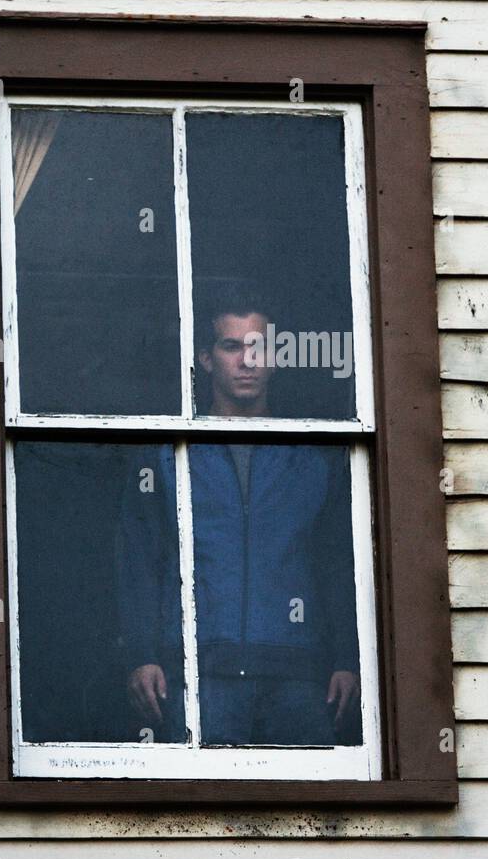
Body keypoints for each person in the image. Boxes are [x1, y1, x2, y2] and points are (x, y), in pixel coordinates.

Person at [114, 288, 361, 746]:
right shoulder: (168, 455)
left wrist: (347, 658)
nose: (247, 360)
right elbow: (140, 562)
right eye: (232, 347)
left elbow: (338, 565)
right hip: (196, 671)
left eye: (259, 347)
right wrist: (142, 655)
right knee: (195, 811)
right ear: (207, 359)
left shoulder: (313, 455)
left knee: (307, 811)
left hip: (299, 674)